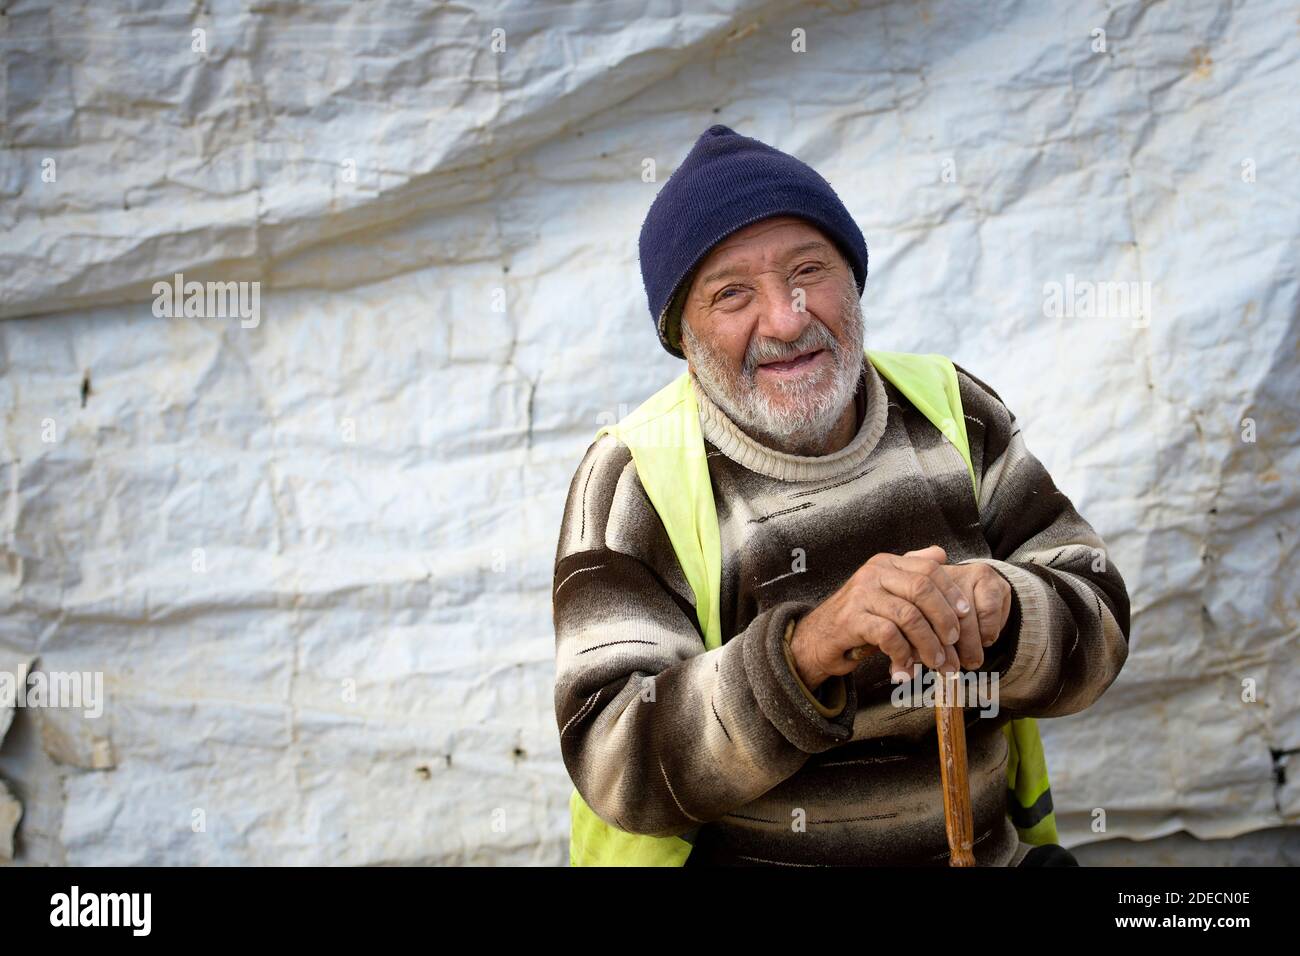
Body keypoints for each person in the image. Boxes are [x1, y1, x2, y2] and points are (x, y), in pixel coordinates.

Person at [552, 124, 1130, 866]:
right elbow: (616, 762)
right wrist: (806, 652)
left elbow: (1102, 619)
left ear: (852, 280)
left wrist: (1007, 605)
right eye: (733, 294)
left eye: (809, 271)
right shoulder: (634, 478)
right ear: (683, 337)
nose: (789, 318)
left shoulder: (951, 410)